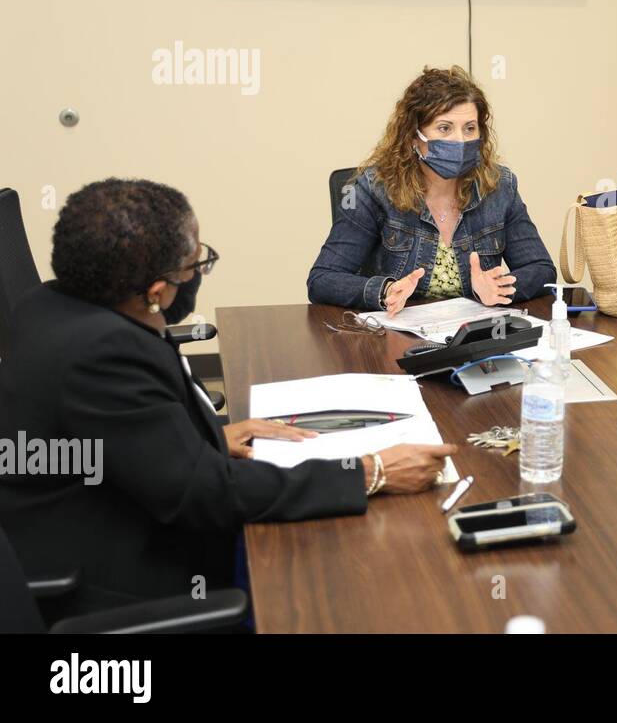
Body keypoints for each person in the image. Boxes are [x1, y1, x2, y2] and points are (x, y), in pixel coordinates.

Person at [0, 179, 455, 616]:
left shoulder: (49, 302)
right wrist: (369, 472)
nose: (197, 273)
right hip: (127, 581)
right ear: (156, 293)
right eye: (193, 264)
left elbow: (125, 435)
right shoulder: (104, 354)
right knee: (360, 585)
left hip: (104, 511)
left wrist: (210, 435)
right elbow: (205, 494)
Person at [308, 65, 557, 313]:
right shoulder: (373, 189)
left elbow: (542, 269)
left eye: (470, 128)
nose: (460, 140)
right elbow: (322, 279)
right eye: (445, 128)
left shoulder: (499, 186)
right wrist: (384, 291)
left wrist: (501, 288)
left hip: (476, 330)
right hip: (398, 333)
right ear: (413, 137)